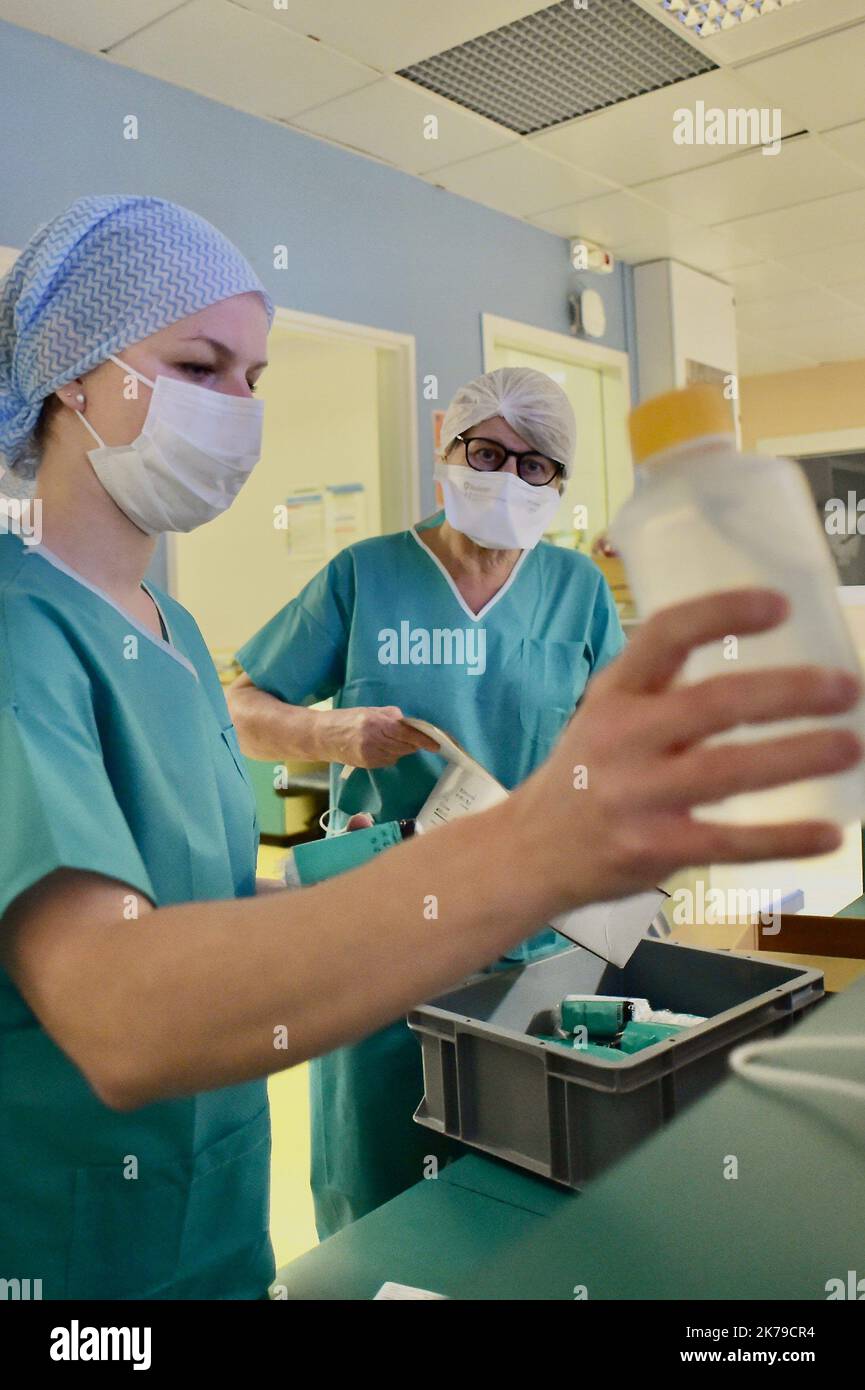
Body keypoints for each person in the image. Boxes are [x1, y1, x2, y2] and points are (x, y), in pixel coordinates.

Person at [0, 196, 860, 1301]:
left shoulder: (166, 640)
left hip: (207, 1225)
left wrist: (443, 870)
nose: (238, 411)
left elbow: (195, 910)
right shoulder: (22, 633)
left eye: (254, 380)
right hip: (70, 1256)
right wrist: (526, 853)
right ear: (74, 371)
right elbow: (120, 1010)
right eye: (202, 365)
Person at [229, 366, 629, 1237]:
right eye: (487, 452)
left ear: (559, 485)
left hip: (531, 931)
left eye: (536, 466)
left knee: (521, 1174)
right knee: (375, 1174)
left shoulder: (577, 592)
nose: (509, 477)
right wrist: (333, 737)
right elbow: (242, 708)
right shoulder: (366, 575)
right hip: (383, 919)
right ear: (445, 450)